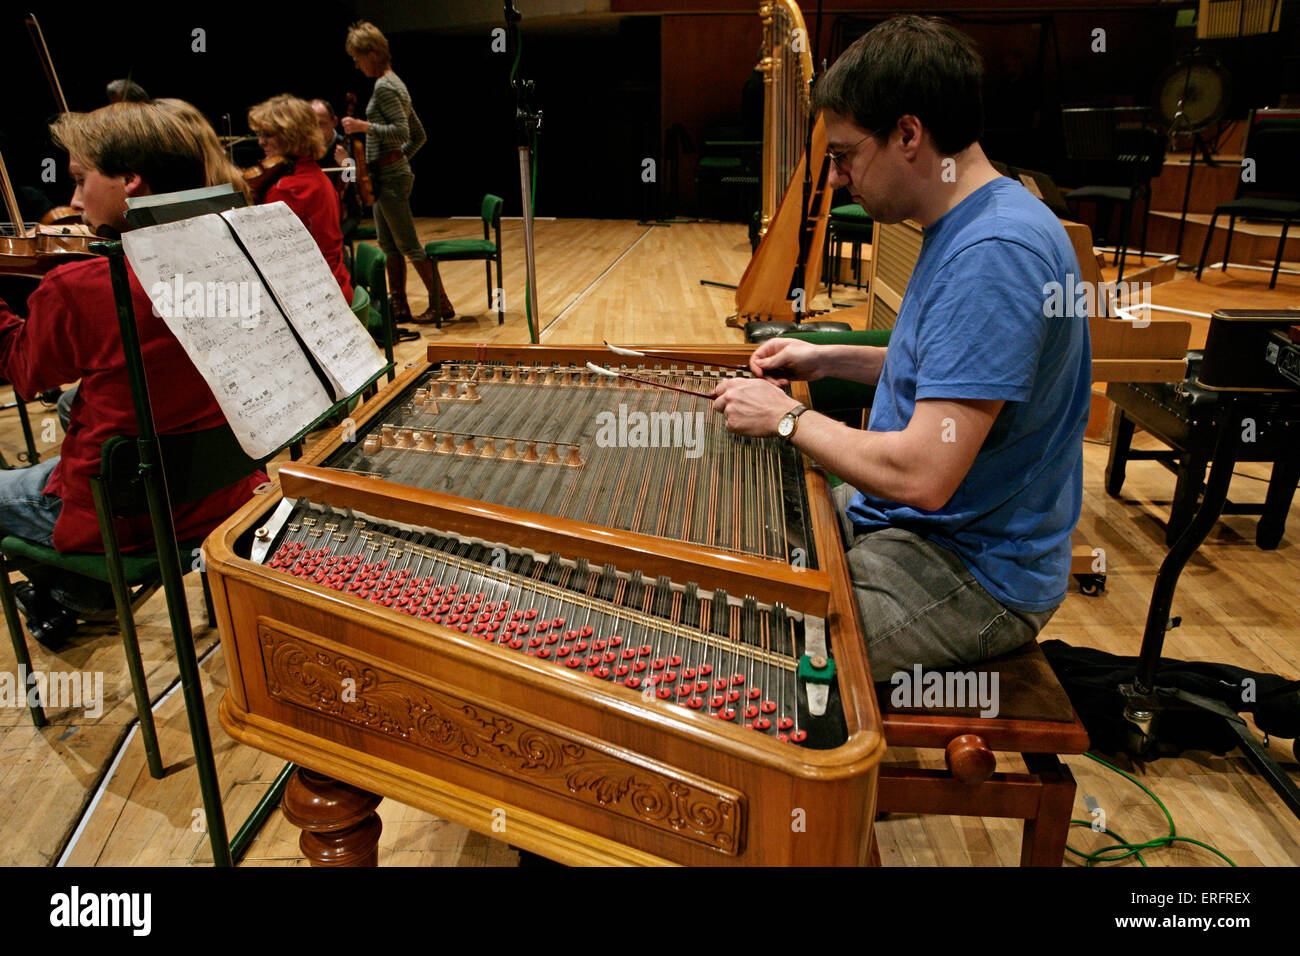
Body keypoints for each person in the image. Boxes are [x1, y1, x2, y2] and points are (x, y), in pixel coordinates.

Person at [711, 16, 1092, 678]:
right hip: (921, 530)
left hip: (973, 570)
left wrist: (788, 417)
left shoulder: (993, 254)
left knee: (752, 648)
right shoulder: (978, 216)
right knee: (736, 530)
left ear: (908, 135)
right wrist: (828, 357)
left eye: (844, 154)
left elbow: (923, 474)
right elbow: (958, 372)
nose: (834, 178)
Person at [0, 102, 265, 646]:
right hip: (225, 486)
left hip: (127, 515)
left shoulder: (83, 287)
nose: (72, 200)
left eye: (79, 178)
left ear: (131, 182)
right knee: (77, 403)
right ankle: (78, 591)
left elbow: (22, 372)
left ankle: (76, 588)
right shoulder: (236, 256)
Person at [343, 20, 453, 324]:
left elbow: (402, 131)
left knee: (408, 244)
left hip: (389, 178)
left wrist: (364, 129)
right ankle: (399, 306)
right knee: (390, 244)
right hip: (385, 175)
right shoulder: (396, 83)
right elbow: (420, 135)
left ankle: (441, 303)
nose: (357, 65)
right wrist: (396, 161)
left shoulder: (385, 87)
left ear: (372, 53)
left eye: (358, 58)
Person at [247, 94, 352, 301]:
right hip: (337, 284)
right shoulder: (315, 174)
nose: (260, 142)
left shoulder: (288, 190)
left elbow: (266, 256)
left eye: (268, 135)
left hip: (316, 298)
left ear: (291, 136)